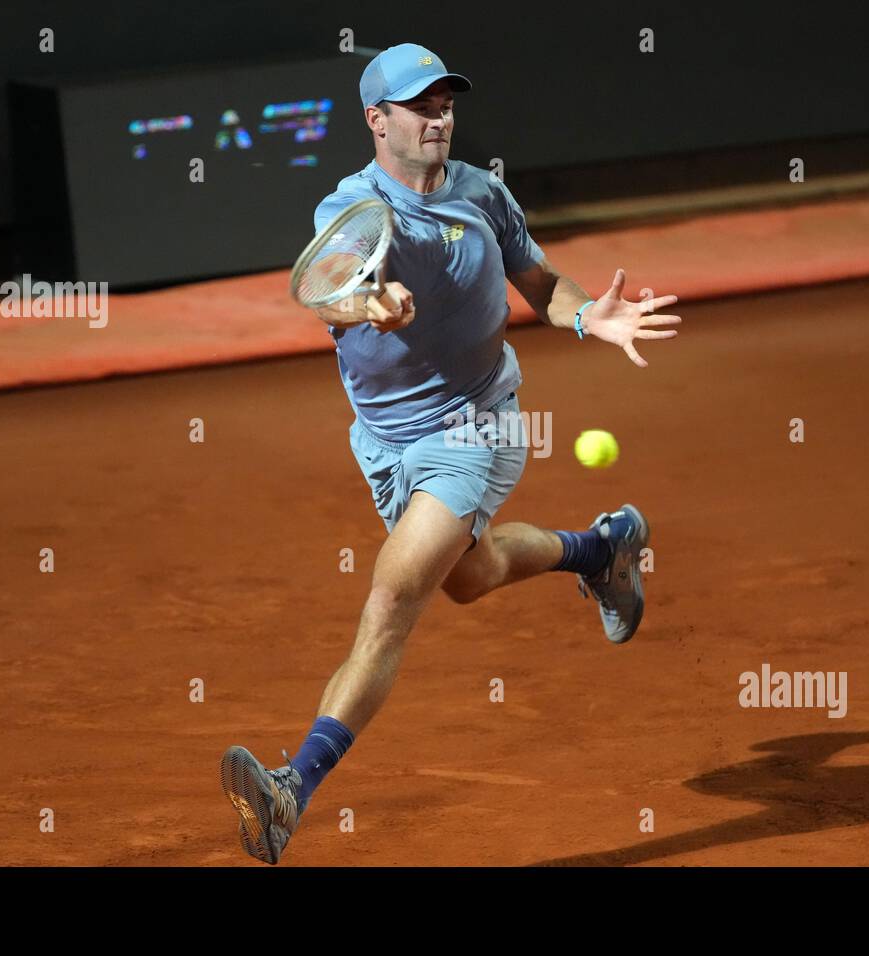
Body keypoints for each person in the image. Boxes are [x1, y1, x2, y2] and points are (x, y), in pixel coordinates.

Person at [221, 42, 681, 864]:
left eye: (446, 104)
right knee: (467, 579)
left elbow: (537, 281)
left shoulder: (482, 192)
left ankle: (293, 787)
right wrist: (372, 301)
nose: (438, 118)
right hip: (385, 442)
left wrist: (587, 316)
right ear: (377, 120)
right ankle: (602, 549)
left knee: (396, 593)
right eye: (419, 106)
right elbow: (331, 276)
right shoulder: (351, 204)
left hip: (479, 424)